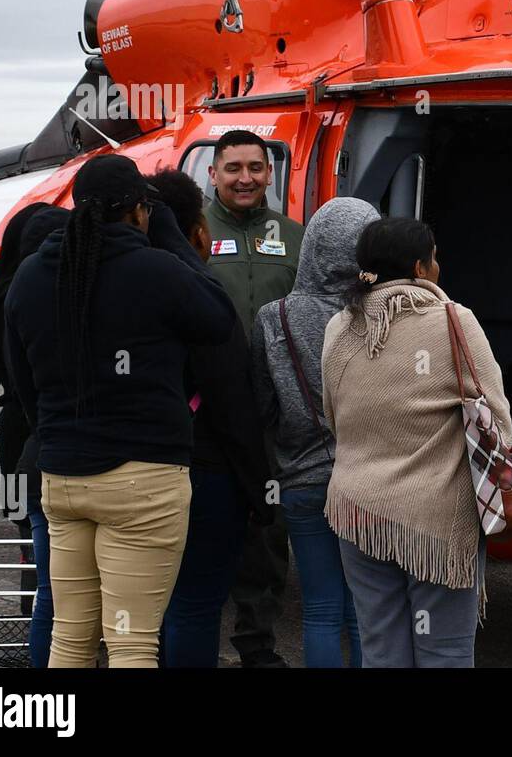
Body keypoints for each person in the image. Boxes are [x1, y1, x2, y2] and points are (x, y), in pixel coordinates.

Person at [4, 154, 236, 667]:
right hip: (143, 477)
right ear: (139, 210)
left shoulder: (31, 276)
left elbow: (23, 383)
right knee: (132, 641)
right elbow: (220, 318)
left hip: (62, 476)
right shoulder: (157, 270)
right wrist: (171, 235)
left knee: (70, 635)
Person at [322, 217, 512, 668]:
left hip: (355, 511)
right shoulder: (452, 321)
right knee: (443, 652)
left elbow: (333, 417)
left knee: (381, 649)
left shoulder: (338, 327)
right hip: (436, 522)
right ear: (419, 267)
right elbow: (499, 428)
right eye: (435, 257)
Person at [145, 168, 275, 668]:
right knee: (195, 606)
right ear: (196, 229)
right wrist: (257, 486)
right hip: (203, 469)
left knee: (132, 612)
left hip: (121, 470)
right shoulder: (199, 291)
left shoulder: (102, 282)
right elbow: (232, 403)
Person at [251, 197, 378, 667]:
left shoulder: (274, 315)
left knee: (321, 609)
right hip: (368, 479)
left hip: (301, 478)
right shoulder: (379, 315)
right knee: (366, 610)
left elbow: (264, 405)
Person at [203, 128, 303, 668]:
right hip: (205, 409)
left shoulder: (293, 236)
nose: (245, 179)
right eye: (234, 168)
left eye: (255, 168)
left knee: (267, 524)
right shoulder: (187, 233)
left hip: (273, 408)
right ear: (213, 174)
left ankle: (256, 639)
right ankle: (188, 632)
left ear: (269, 174)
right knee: (199, 518)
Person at [9, 205, 71, 668]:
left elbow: (19, 387)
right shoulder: (81, 305)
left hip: (30, 454)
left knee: (50, 589)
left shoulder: (16, 299)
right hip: (65, 458)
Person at [0, 202, 53, 525]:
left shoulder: (1, 296)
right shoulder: (32, 296)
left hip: (14, 429)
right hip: (39, 432)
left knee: (27, 534)